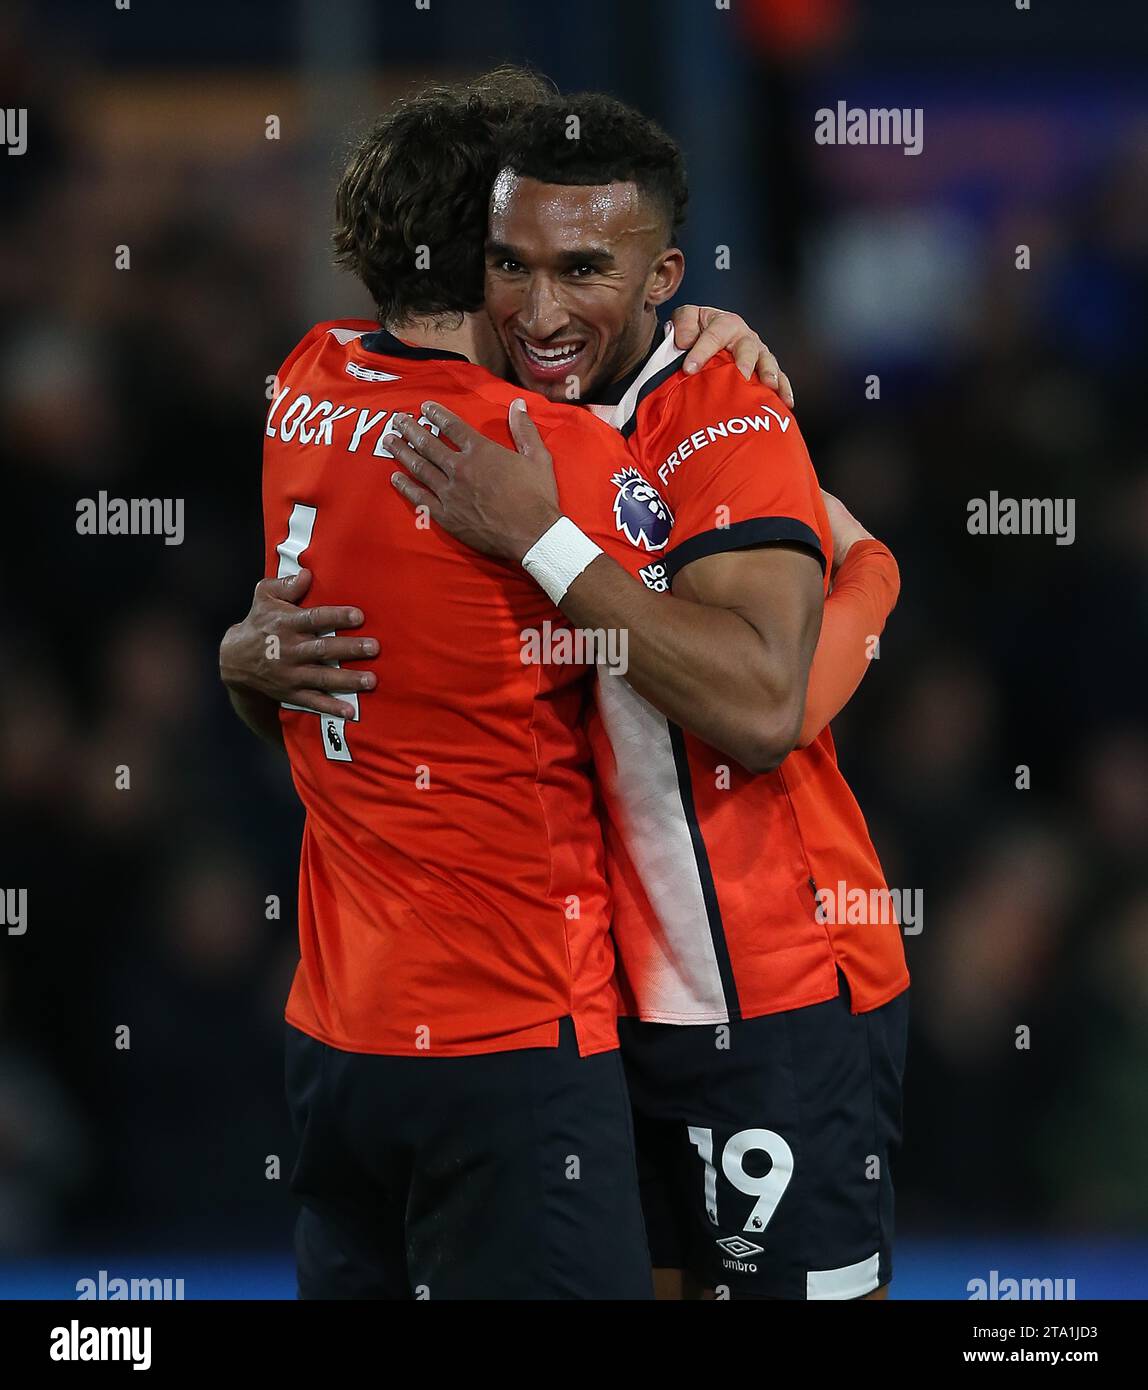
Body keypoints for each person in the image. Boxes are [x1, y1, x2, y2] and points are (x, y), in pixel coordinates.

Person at [227, 68, 791, 1302]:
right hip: (509, 1037)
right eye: (521, 252)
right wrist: (706, 357)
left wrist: (238, 661)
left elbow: (298, 657)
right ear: (485, 254)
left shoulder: (303, 382)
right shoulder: (552, 456)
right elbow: (756, 695)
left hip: (336, 1043)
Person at [385, 91, 909, 1301]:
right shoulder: (499, 411)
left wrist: (546, 545)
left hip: (771, 1002)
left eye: (583, 269)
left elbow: (764, 705)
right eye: (509, 266)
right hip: (597, 1017)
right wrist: (247, 651)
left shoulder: (723, 416)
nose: (538, 307)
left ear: (662, 272)